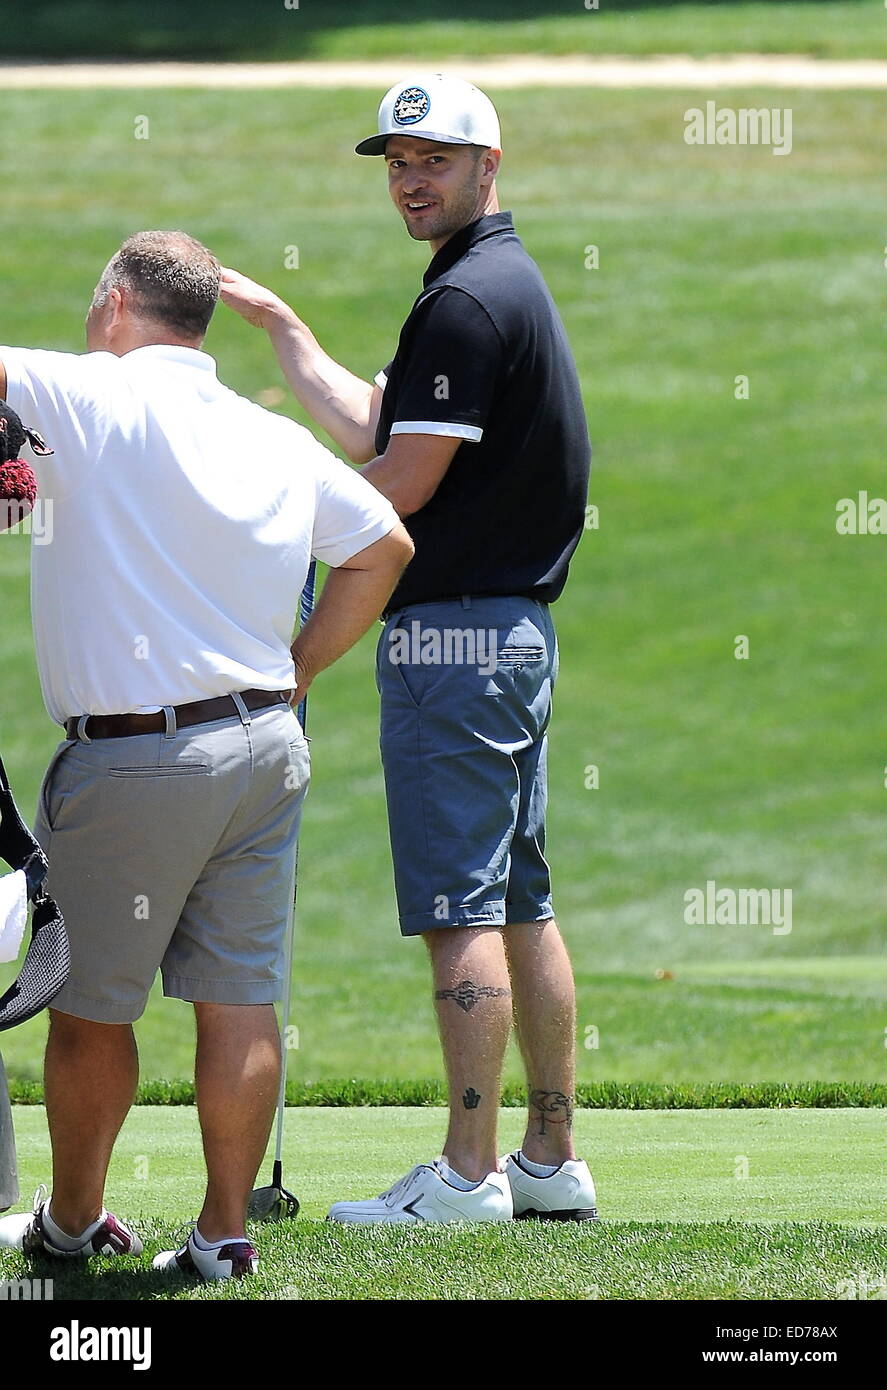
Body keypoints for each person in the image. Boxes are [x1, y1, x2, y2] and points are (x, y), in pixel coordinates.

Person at [0, 230, 413, 1273]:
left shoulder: (90, 392)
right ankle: (225, 1234)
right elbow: (382, 547)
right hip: (267, 747)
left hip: (137, 761)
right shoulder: (264, 434)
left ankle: (73, 1223)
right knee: (238, 993)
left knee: (91, 1005)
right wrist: (301, 667)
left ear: (117, 307)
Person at [221, 73, 596, 1223]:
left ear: (489, 165)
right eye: (394, 162)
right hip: (508, 635)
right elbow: (379, 428)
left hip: (453, 645)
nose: (410, 179)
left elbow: (397, 484)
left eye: (432, 159)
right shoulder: (489, 290)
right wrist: (286, 334)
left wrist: (284, 532)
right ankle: (544, 1163)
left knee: (458, 910)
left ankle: (467, 1175)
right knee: (519, 901)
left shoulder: (464, 301)